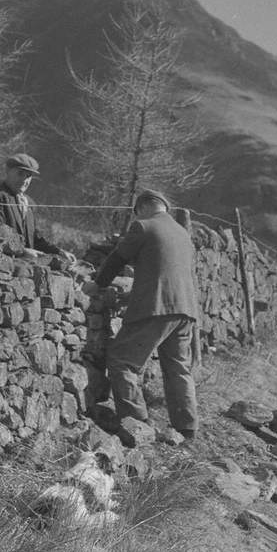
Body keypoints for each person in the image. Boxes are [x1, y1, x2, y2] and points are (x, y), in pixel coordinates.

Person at [84, 188, 199, 439]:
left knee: (122, 360)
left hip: (155, 307)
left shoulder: (143, 227)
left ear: (142, 207)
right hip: (185, 310)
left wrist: (98, 284)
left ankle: (137, 424)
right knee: (178, 368)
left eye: (136, 214)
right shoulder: (183, 234)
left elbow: (117, 258)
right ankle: (187, 427)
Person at [0, 153, 74, 262]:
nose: (25, 180)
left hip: (26, 267)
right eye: (20, 173)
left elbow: (36, 239)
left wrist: (59, 252)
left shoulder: (30, 203)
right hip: (1, 262)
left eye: (29, 176)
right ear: (8, 171)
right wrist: (23, 251)